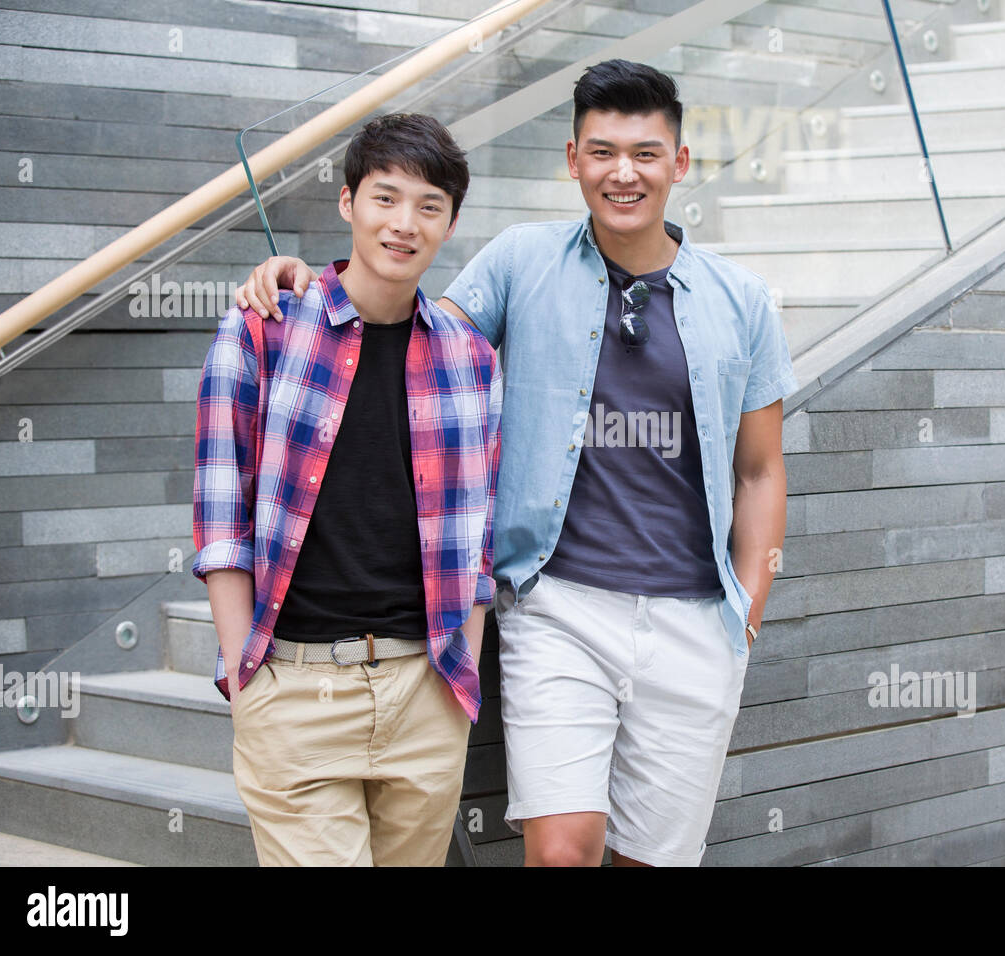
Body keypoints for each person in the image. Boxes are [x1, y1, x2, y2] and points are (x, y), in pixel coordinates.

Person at [235, 60, 797, 867]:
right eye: (601, 152)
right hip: (556, 605)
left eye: (645, 152)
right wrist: (311, 286)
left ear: (680, 164)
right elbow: (405, 331)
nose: (623, 172)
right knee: (563, 852)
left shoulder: (740, 298)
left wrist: (744, 612)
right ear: (573, 161)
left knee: (654, 859)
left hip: (694, 619)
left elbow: (760, 468)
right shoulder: (519, 261)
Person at [193, 112, 502, 866]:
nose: (404, 223)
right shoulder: (264, 329)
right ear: (347, 202)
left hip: (424, 690)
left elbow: (479, 539)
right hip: (295, 689)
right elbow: (220, 512)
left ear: (452, 221)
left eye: (429, 206)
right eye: (385, 198)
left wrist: (459, 677)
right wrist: (245, 674)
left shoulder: (471, 358)